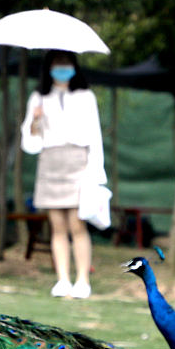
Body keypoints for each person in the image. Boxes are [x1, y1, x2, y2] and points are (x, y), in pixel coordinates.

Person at [20, 50, 105, 299]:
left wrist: (95, 171)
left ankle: (83, 280)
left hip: (79, 162)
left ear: (74, 66)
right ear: (48, 68)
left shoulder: (85, 96)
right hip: (50, 162)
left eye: (66, 63)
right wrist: (35, 121)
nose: (62, 68)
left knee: (77, 224)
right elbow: (30, 142)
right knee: (57, 226)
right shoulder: (38, 97)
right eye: (57, 64)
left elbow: (95, 136)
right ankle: (62, 280)